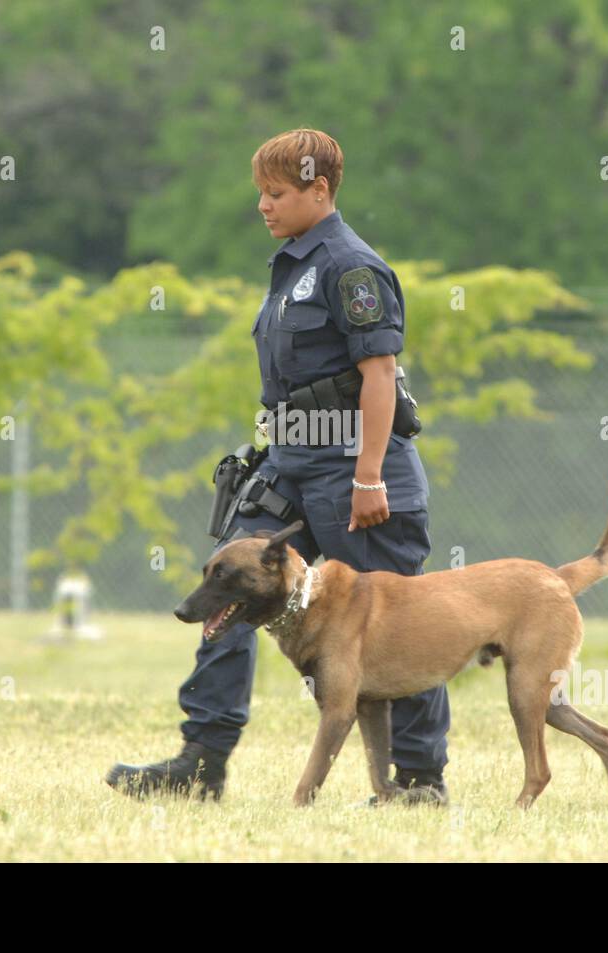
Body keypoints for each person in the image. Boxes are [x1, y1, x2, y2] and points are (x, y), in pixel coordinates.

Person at [106, 128, 450, 805]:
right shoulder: (294, 265)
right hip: (291, 466)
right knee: (226, 590)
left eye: (276, 194)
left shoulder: (353, 268)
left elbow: (379, 375)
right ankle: (201, 761)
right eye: (261, 194)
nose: (263, 206)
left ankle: (417, 781)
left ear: (319, 191)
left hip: (357, 470)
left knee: (400, 625)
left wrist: (370, 475)